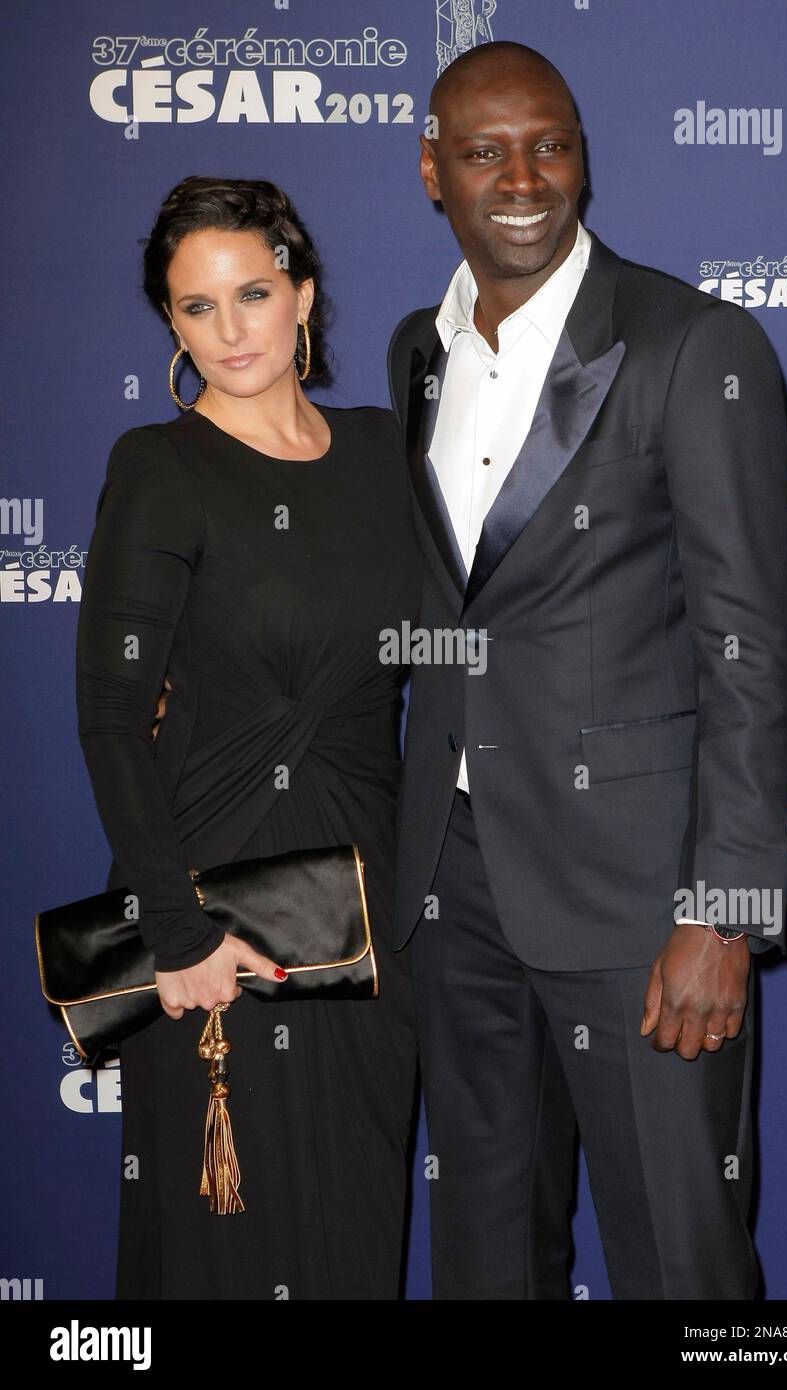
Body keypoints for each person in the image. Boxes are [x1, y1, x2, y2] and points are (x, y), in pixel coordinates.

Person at [386, 42, 787, 1299]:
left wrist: (721, 910)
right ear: (430, 172)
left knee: (684, 1264)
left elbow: (752, 649)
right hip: (454, 890)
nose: (522, 178)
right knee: (486, 1256)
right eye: (483, 151)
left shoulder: (691, 343)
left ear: (583, 157)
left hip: (640, 906)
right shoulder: (421, 348)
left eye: (549, 144)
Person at [76, 176, 421, 1299]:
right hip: (222, 922)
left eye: (254, 293)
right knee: (232, 1250)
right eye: (195, 308)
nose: (230, 331)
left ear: (304, 294)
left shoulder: (381, 453)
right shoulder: (160, 469)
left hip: (369, 918)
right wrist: (174, 936)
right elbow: (114, 717)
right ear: (169, 325)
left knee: (352, 1239)